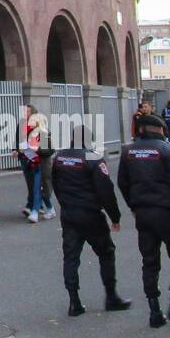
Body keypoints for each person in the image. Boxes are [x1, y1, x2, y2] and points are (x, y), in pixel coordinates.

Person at [117, 114, 170, 328]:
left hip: (143, 214)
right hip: (165, 213)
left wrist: (133, 207)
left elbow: (123, 183)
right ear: (160, 130)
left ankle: (154, 311)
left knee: (150, 260)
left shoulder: (128, 151)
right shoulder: (167, 150)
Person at [52, 125, 131, 317]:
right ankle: (111, 297)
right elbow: (106, 190)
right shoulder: (93, 158)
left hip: (69, 214)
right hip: (90, 214)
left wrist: (65, 203)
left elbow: (54, 183)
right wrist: (115, 216)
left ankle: (74, 302)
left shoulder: (59, 157)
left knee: (71, 257)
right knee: (106, 252)